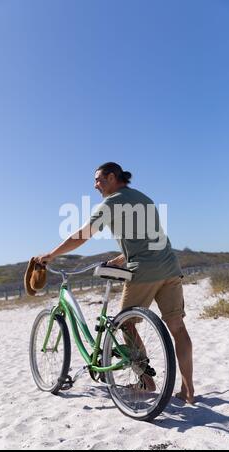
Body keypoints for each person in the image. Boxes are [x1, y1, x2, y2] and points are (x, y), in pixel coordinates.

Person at [35, 162, 194, 404]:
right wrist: (122, 258)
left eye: (98, 179)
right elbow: (151, 238)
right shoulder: (143, 198)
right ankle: (188, 390)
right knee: (178, 329)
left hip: (145, 271)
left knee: (125, 325)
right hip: (170, 267)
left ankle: (146, 381)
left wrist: (52, 255)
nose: (95, 185)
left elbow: (82, 234)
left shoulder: (111, 203)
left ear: (112, 177)